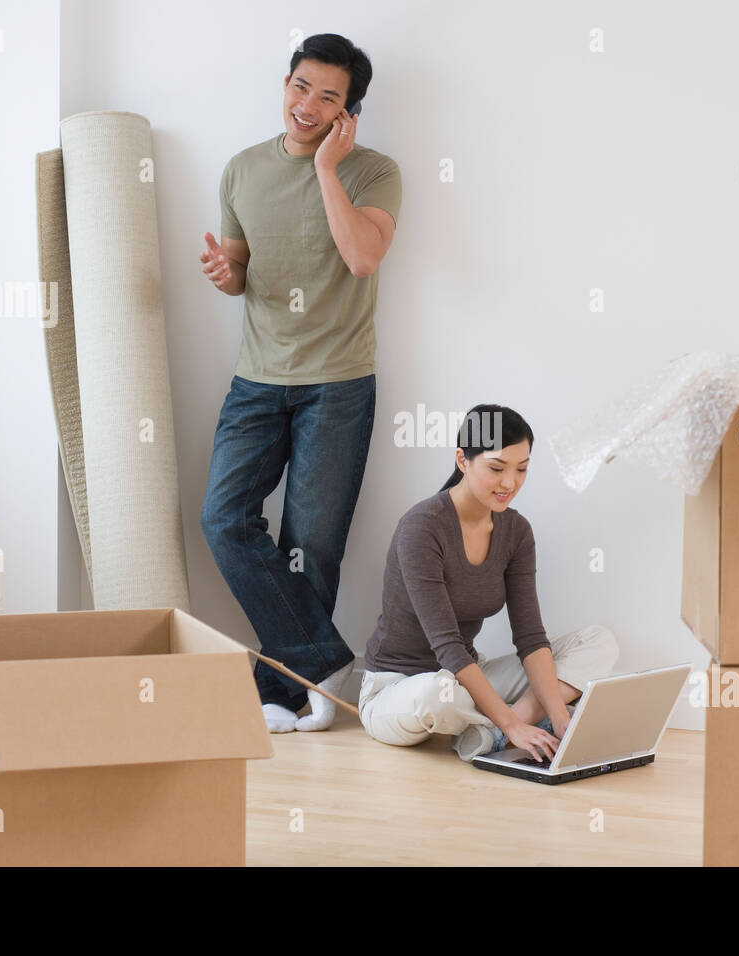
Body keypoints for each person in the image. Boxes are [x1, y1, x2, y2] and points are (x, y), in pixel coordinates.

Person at [198, 34, 401, 733]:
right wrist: (230, 278)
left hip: (338, 385)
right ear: (284, 83)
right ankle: (318, 660)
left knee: (310, 542)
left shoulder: (373, 173)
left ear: (351, 113)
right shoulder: (241, 169)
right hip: (257, 380)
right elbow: (240, 269)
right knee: (223, 520)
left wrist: (326, 170)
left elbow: (363, 257)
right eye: (300, 86)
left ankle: (280, 694)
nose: (307, 104)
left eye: (328, 97)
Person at [359, 405, 620, 762]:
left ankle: (495, 730)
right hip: (400, 690)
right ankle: (510, 724)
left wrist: (560, 720)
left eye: (522, 469)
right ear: (462, 461)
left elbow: (530, 637)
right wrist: (514, 725)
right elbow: (448, 647)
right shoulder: (422, 527)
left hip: (468, 676)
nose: (510, 483)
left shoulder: (516, 532)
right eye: (496, 468)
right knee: (437, 691)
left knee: (597, 642)